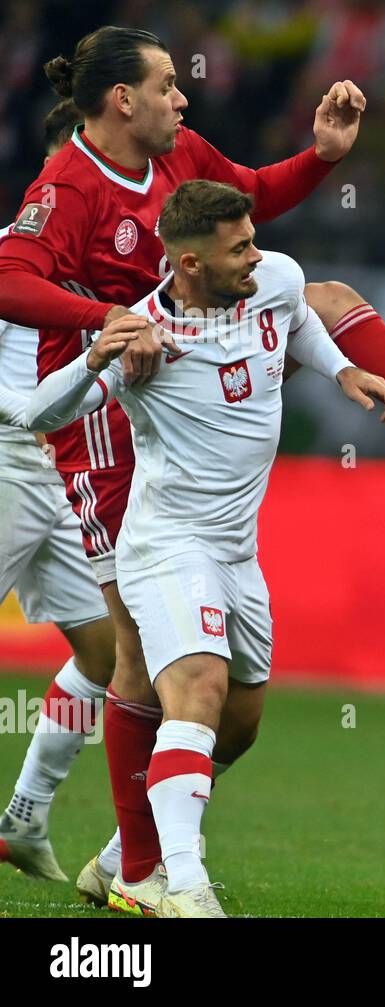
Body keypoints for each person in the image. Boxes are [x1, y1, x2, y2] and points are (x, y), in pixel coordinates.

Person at [0, 25, 385, 913]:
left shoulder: (179, 154)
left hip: (188, 359)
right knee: (131, 661)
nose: (182, 95)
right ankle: (140, 868)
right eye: (165, 83)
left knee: (332, 302)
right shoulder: (68, 187)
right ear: (123, 99)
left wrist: (321, 156)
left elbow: (253, 198)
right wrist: (106, 318)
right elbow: (9, 278)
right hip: (109, 419)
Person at [27, 179, 385, 916]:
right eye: (239, 248)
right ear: (189, 264)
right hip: (167, 543)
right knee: (198, 686)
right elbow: (44, 410)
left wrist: (344, 369)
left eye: (253, 239)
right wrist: (98, 353)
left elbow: (299, 323)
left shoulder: (276, 280)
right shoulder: (144, 337)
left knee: (241, 722)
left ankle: (115, 861)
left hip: (236, 550)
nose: (256, 256)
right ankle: (183, 886)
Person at [0, 99, 116, 888]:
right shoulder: (15, 250)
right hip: (8, 453)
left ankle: (25, 814)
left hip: (70, 472)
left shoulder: (112, 260)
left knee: (110, 650)